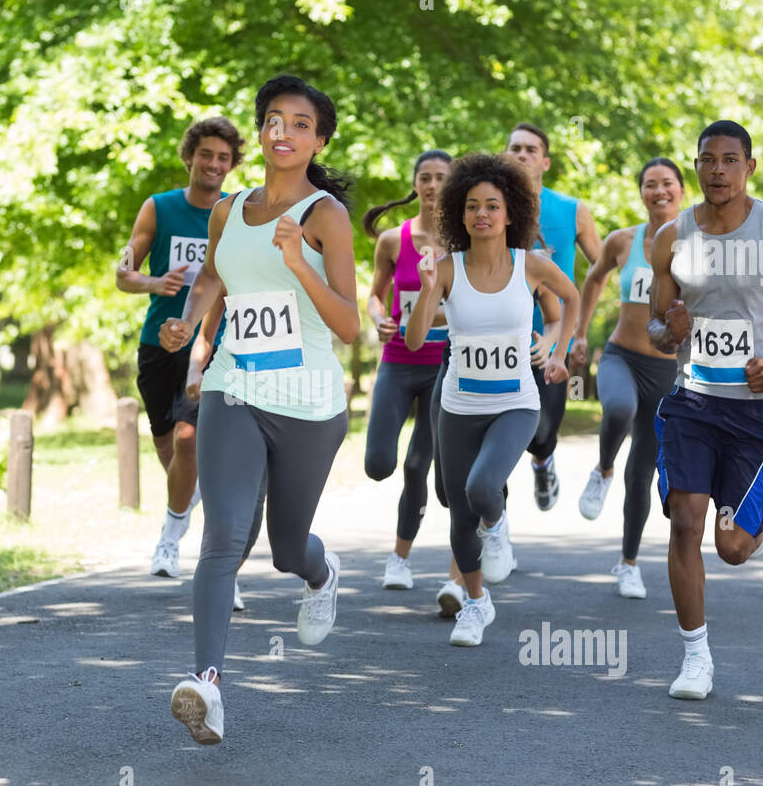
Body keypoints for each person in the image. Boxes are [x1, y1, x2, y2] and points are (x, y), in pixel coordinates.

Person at [160, 75, 359, 744]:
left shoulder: (325, 215)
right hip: (233, 388)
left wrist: (301, 265)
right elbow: (215, 273)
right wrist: (189, 322)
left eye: (300, 123)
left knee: (284, 548)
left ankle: (321, 570)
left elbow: (351, 325)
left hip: (308, 401)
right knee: (222, 540)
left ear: (319, 139)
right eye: (274, 119)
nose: (284, 132)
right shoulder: (229, 206)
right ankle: (207, 687)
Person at [647, 120, 763, 699]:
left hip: (756, 413)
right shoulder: (672, 237)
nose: (718, 171)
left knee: (731, 547)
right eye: (708, 160)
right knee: (685, 522)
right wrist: (669, 329)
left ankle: (757, 521)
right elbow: (659, 328)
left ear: (749, 167)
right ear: (698, 165)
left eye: (731, 160)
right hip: (693, 401)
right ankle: (695, 657)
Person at [407, 152, 579, 648]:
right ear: (460, 215)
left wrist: (557, 347)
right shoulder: (444, 268)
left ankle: (499, 528)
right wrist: (425, 291)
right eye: (473, 206)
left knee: (484, 488)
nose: (482, 214)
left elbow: (571, 299)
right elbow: (416, 341)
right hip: (458, 406)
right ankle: (476, 604)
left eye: (493, 206)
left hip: (516, 403)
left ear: (511, 214)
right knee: (459, 514)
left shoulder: (531, 265)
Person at [116, 118, 242, 591]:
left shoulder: (236, 212)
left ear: (232, 165)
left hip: (215, 341)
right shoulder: (159, 208)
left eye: (223, 158)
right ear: (189, 156)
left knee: (189, 440)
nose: (214, 164)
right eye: (206, 154)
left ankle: (172, 541)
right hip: (158, 342)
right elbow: (122, 273)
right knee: (171, 449)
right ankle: (184, 513)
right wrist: (154, 282)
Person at [570, 158, 684, 598]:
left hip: (667, 370)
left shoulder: (696, 243)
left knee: (643, 472)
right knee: (618, 408)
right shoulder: (622, 241)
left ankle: (629, 562)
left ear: (680, 189)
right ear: (641, 193)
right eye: (650, 185)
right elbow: (594, 278)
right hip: (622, 356)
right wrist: (580, 333)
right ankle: (601, 469)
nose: (659, 191)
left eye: (667, 184)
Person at [362, 150, 453, 591]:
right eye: (425, 177)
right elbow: (374, 295)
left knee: (418, 466)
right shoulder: (393, 241)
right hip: (397, 363)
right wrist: (377, 316)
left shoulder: (463, 242)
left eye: (441, 178)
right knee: (378, 464)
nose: (432, 185)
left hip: (442, 367)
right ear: (415, 184)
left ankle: (400, 558)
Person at [506, 122, 603, 511]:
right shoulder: (486, 207)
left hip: (552, 340)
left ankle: (544, 462)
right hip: (497, 340)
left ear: (544, 161)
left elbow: (601, 267)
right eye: (514, 148)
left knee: (542, 432)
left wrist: (578, 331)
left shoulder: (572, 209)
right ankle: (495, 520)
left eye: (530, 149)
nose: (522, 155)